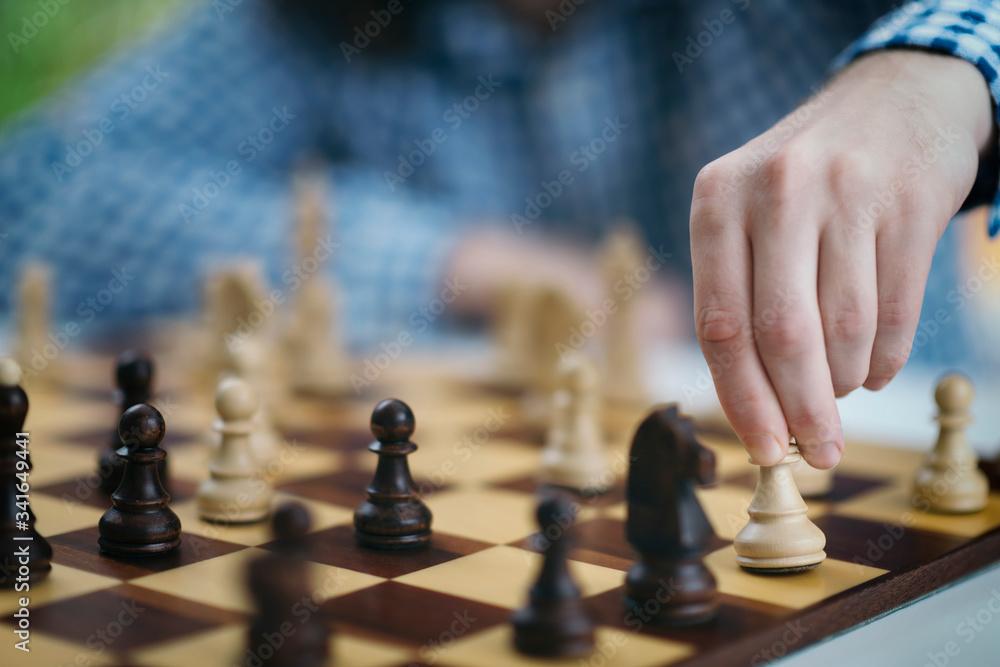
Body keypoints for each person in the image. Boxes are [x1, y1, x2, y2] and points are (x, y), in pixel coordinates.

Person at [0, 0, 997, 469]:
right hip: (492, 476)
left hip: (903, 490)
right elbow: (34, 193)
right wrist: (466, 264)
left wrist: (940, 64)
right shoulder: (300, 24)